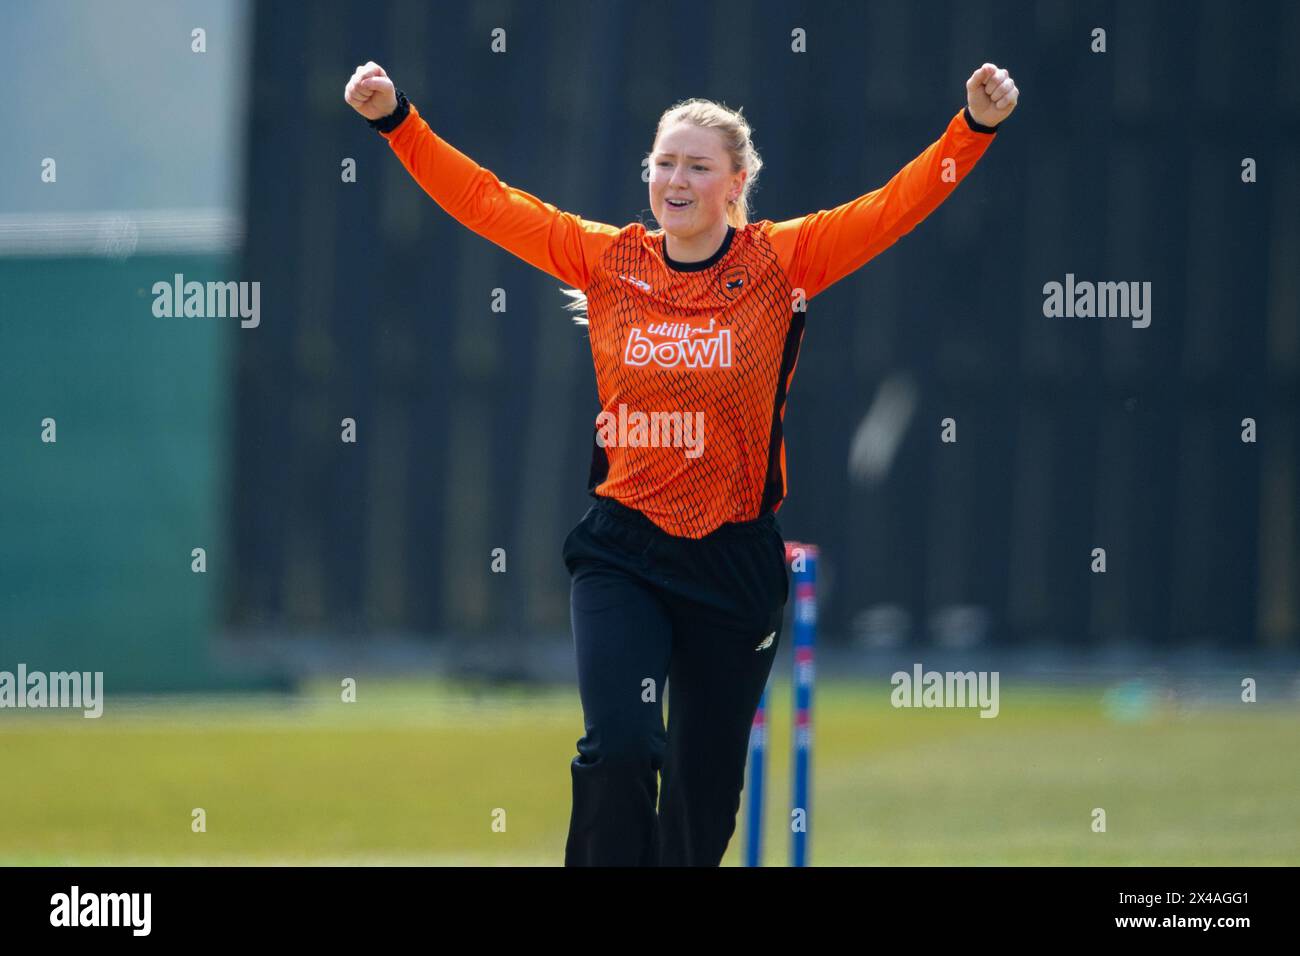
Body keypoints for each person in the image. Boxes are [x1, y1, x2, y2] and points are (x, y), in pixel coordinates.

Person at [344, 60, 1018, 866]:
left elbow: (894, 207)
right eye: (665, 162)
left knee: (701, 799)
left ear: (736, 184)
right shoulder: (607, 261)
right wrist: (396, 122)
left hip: (733, 565)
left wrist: (970, 128)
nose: (676, 178)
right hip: (624, 553)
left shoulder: (781, 262)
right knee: (623, 746)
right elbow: (488, 202)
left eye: (698, 165)